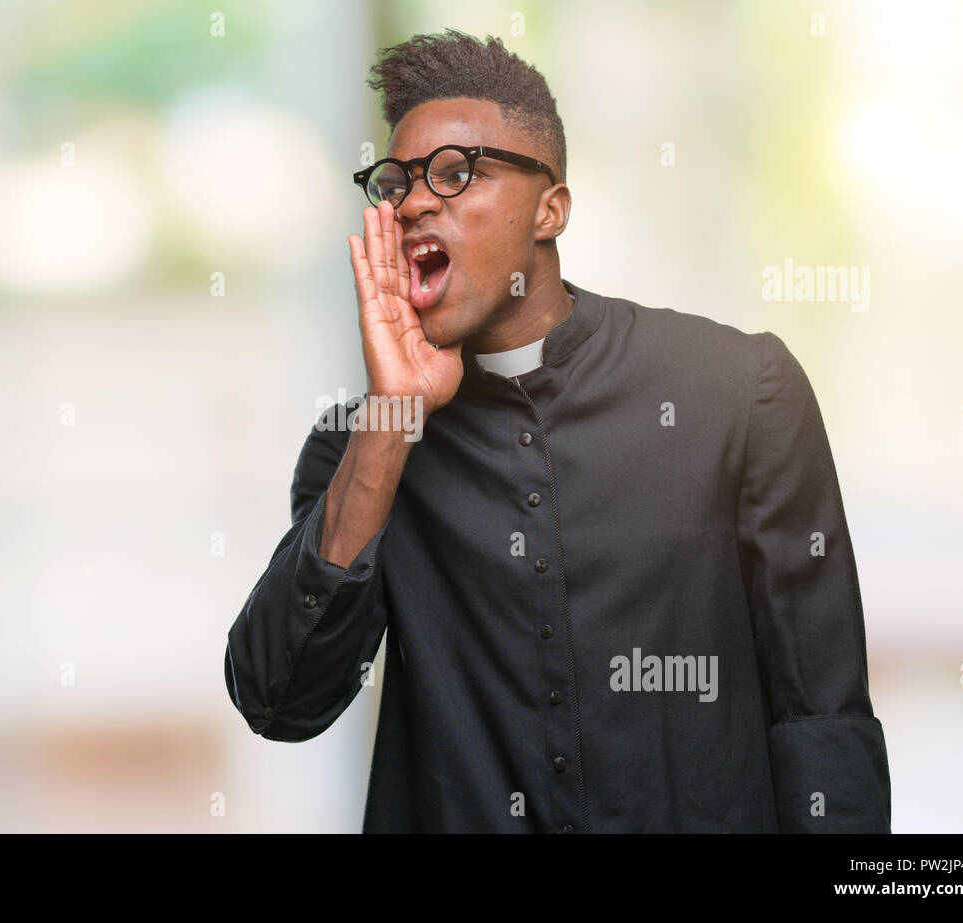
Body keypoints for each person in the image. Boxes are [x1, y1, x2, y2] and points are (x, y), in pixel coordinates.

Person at [223, 29, 892, 833]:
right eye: (394, 183)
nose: (413, 203)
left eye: (455, 172)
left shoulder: (741, 391)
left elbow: (825, 722)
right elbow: (279, 700)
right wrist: (391, 420)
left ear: (550, 210)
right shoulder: (360, 445)